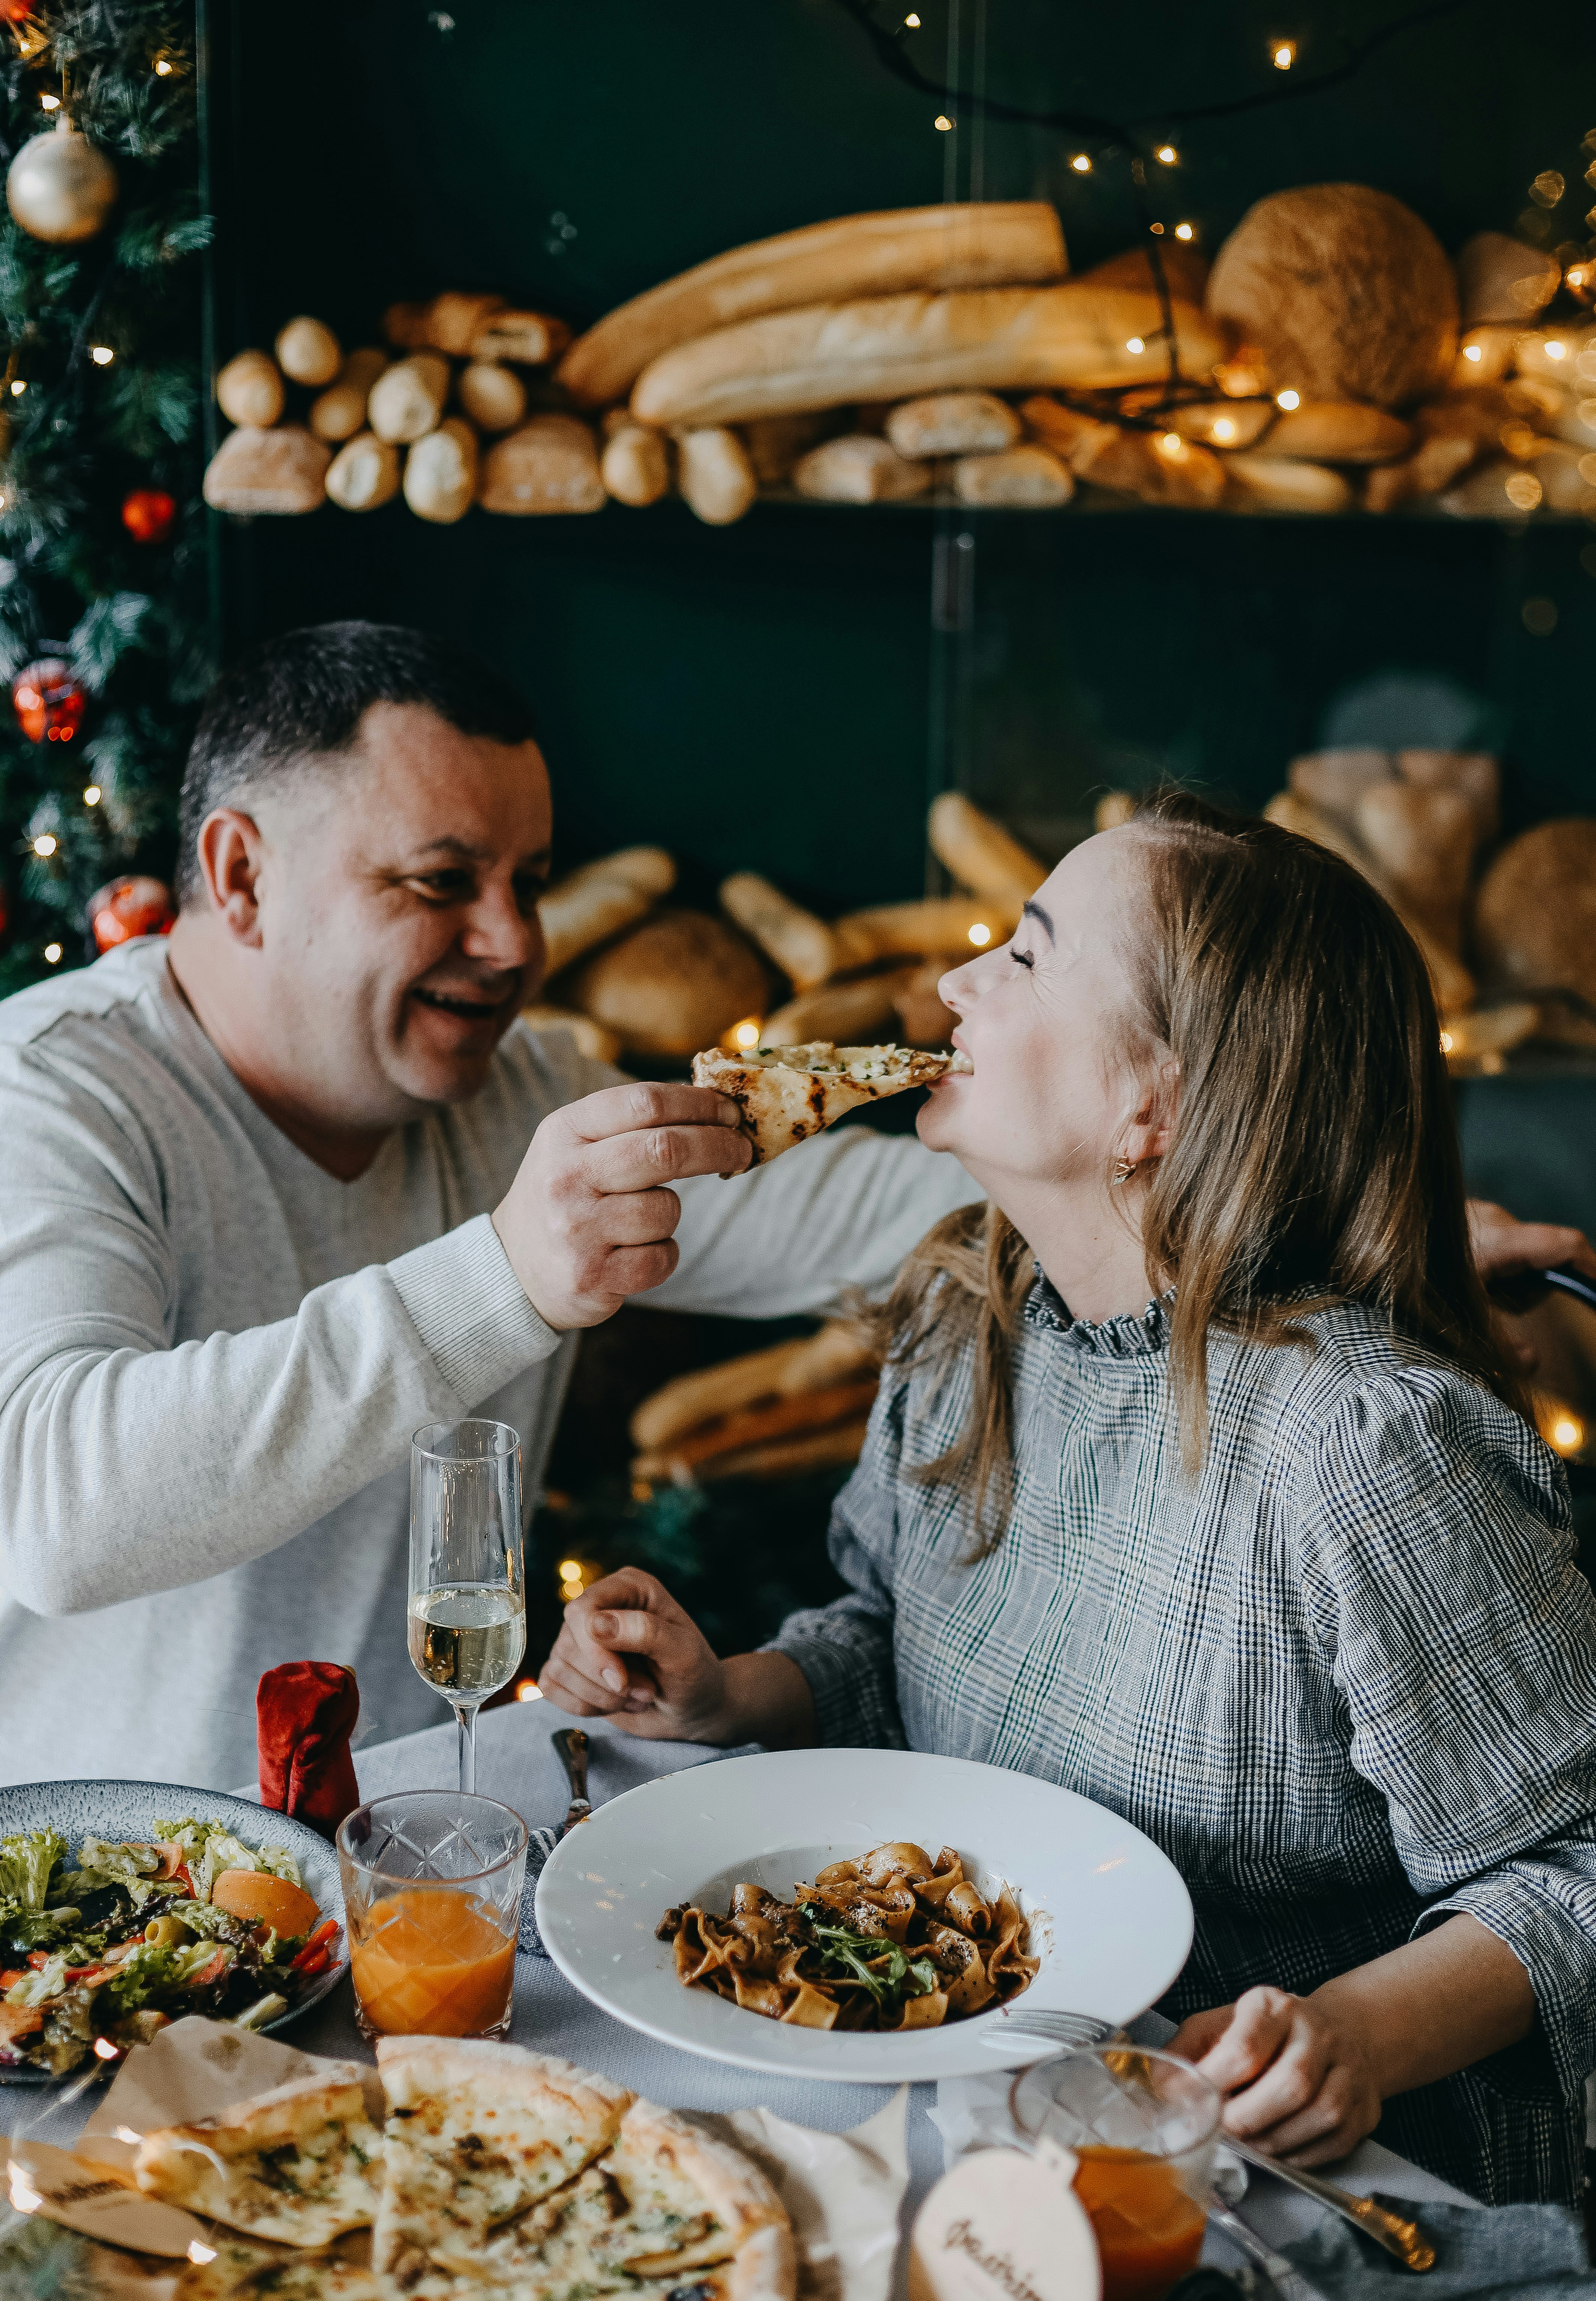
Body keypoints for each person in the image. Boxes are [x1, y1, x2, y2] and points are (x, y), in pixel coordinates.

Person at [543, 791, 1596, 2207]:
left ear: (1152, 1102)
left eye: (1026, 957)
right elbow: (881, 1634)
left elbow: (1575, 1869)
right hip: (971, 2105)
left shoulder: (1362, 1447)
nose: (955, 981)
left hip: (1284, 2181)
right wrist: (730, 1695)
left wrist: (1348, 2033)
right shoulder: (967, 1318)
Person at [0, 623, 979, 1788]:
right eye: (440, 882)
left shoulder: (524, 1088)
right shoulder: (52, 1091)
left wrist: (1130, 1158)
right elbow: (60, 1512)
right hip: (98, 1911)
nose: (514, 942)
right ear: (243, 876)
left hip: (408, 1865)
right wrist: (506, 1279)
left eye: (530, 884)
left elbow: (863, 1212)